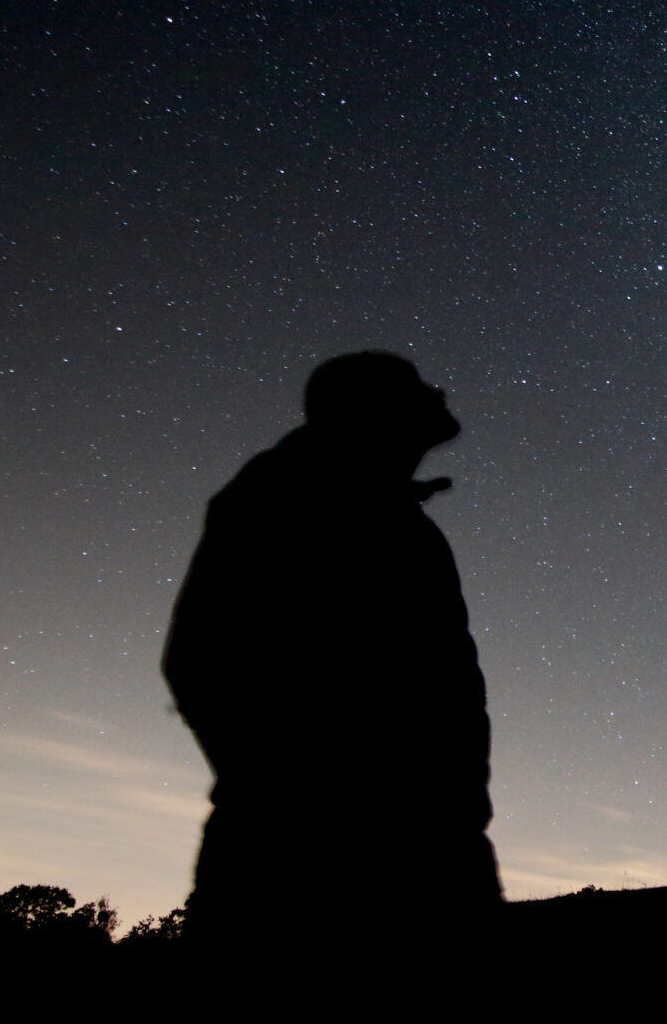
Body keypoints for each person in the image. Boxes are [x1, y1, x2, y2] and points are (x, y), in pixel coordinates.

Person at [163, 352, 502, 988]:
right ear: (375, 411)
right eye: (418, 387)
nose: (438, 391)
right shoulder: (282, 498)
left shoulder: (394, 515)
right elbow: (201, 662)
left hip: (430, 850)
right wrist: (299, 803)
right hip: (311, 864)